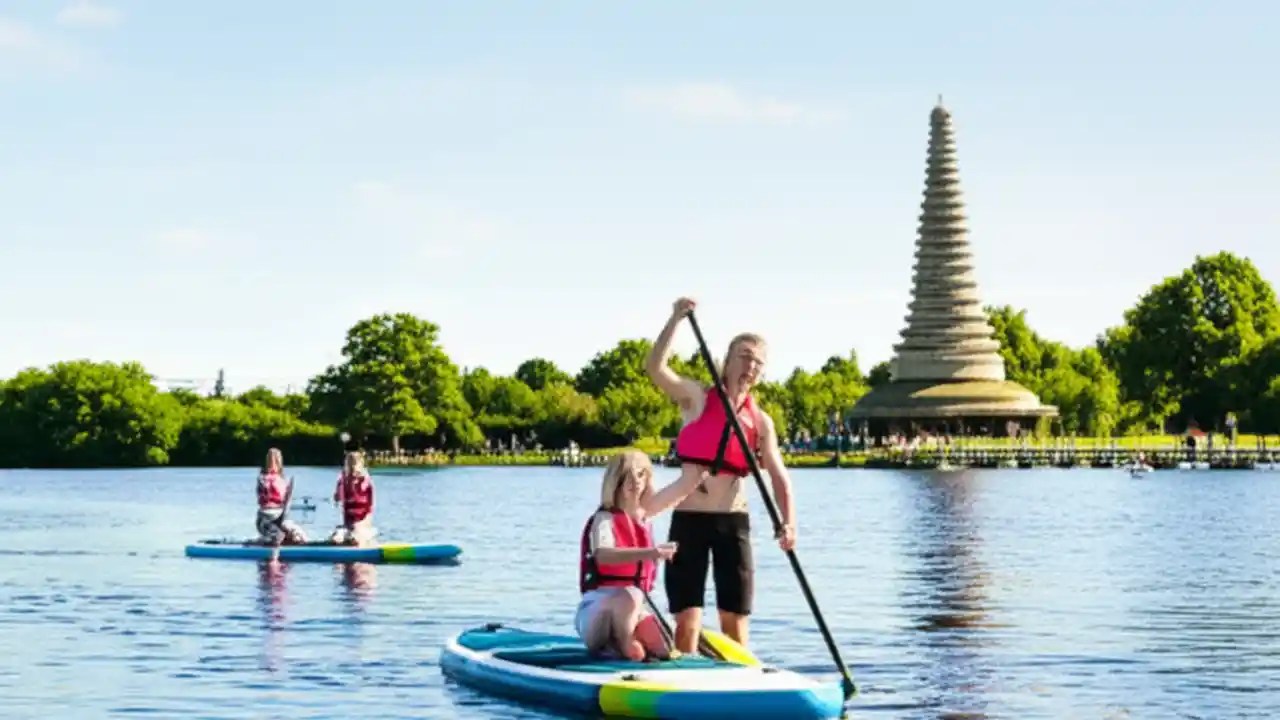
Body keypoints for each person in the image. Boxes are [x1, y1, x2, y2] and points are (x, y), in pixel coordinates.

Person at [644, 296, 797, 654]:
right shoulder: (697, 397)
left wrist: (789, 524)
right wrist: (676, 320)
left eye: (759, 362)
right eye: (744, 356)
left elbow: (779, 478)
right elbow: (655, 368)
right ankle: (684, 682)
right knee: (688, 620)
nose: (751, 366)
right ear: (726, 361)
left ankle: (737, 685)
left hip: (733, 523)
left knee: (735, 621)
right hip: (690, 519)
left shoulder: (761, 422)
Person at [576, 449, 702, 661]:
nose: (634, 481)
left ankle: (625, 643)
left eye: (640, 474)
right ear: (615, 480)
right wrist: (651, 553)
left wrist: (701, 469)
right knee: (631, 595)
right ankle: (624, 643)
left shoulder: (644, 517)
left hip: (633, 607)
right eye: (627, 475)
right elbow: (603, 556)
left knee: (664, 648)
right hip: (597, 609)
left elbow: (680, 489)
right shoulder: (604, 519)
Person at [256, 448, 307, 546]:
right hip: (269, 518)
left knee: (297, 536)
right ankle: (269, 540)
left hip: (273, 519)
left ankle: (272, 538)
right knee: (284, 536)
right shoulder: (271, 479)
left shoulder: (265, 479)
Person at [329, 451, 376, 546]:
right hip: (348, 524)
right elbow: (337, 497)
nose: (351, 468)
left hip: (362, 523)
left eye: (353, 464)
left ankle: (360, 540)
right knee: (336, 538)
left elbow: (371, 506)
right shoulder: (343, 481)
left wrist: (366, 522)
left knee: (355, 537)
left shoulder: (366, 482)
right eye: (349, 465)